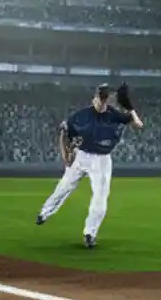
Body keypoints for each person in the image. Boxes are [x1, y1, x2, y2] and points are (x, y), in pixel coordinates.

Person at [35, 83, 143, 248]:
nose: (102, 100)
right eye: (100, 97)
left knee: (100, 198)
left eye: (105, 97)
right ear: (95, 97)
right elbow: (64, 133)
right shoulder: (80, 116)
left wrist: (130, 107)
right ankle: (44, 213)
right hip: (81, 155)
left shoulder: (114, 115)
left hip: (102, 160)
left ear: (108, 99)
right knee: (63, 187)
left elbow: (138, 125)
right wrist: (66, 156)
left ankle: (90, 233)